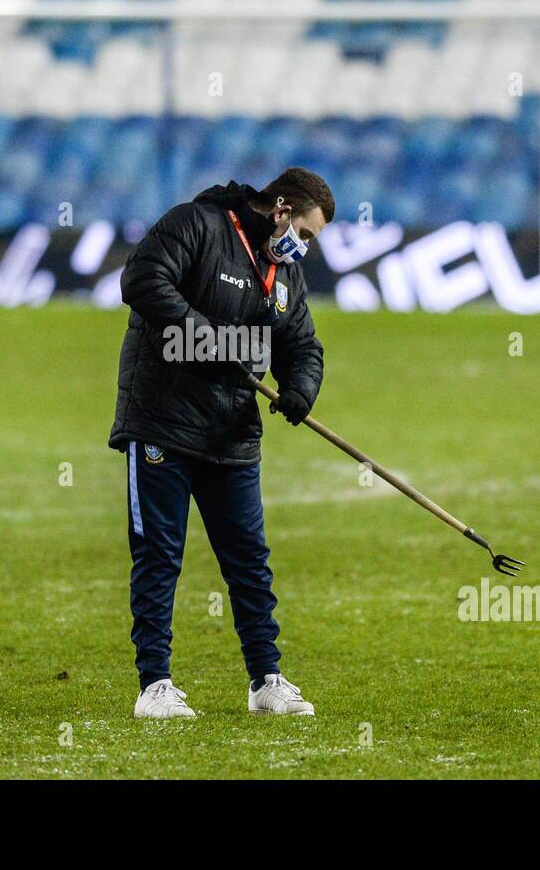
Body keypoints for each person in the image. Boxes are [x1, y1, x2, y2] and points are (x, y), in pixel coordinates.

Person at [108, 167, 333, 718]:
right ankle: (154, 686)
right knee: (160, 556)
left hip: (232, 433)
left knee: (249, 562)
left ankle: (266, 680)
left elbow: (302, 345)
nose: (303, 247)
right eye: (303, 233)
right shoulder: (198, 225)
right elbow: (140, 279)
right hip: (163, 420)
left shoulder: (283, 274)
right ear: (280, 209)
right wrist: (201, 333)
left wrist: (301, 390)